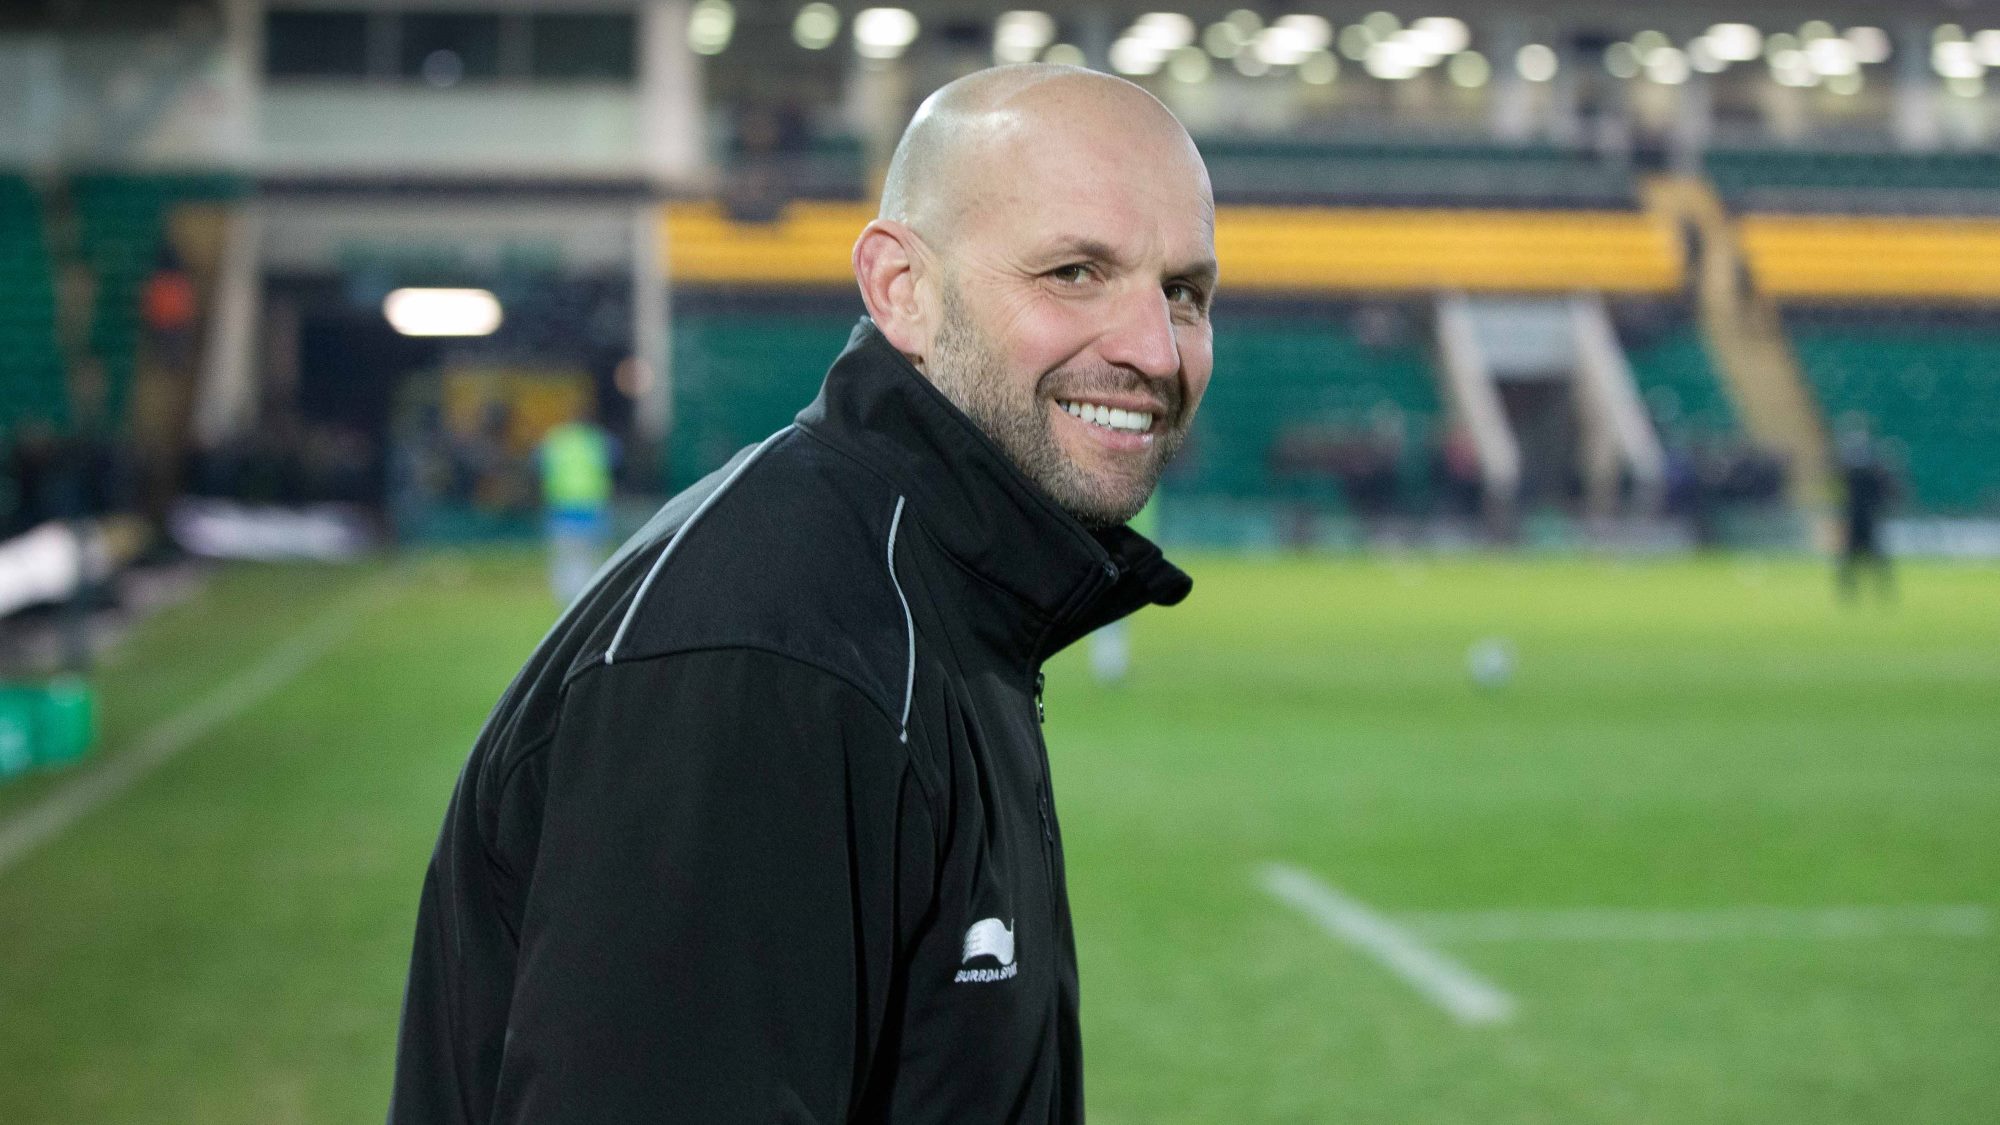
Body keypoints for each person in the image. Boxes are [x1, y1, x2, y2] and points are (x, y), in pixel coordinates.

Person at [389, 63, 1216, 1124]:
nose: (1153, 349)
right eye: (1073, 272)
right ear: (901, 288)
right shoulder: (775, 656)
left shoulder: (936, 594)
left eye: (1183, 293)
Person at [536, 403, 618, 603]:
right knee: (590, 556)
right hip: (591, 505)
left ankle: (567, 599)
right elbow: (617, 460)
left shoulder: (556, 440)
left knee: (565, 556)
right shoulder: (599, 440)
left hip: (563, 505)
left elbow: (537, 463)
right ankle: (589, 596)